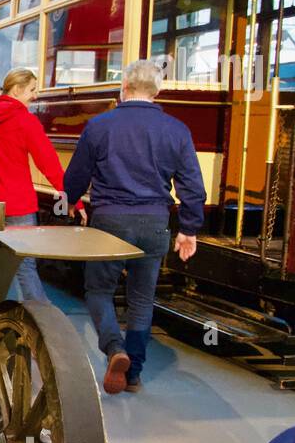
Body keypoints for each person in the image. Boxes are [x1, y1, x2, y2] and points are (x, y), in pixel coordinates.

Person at [64, 60, 205, 395]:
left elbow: (77, 174)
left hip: (109, 220)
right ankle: (134, 375)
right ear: (157, 91)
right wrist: (189, 229)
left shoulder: (100, 125)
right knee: (142, 299)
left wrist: (71, 200)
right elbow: (192, 187)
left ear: (124, 86)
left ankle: (115, 349)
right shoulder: (176, 129)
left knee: (98, 291)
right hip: (155, 221)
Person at [0, 67, 84, 302]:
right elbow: (49, 164)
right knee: (25, 265)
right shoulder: (25, 120)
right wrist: (73, 199)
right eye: (32, 90)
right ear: (18, 90)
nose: (35, 96)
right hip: (18, 204)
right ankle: (42, 317)